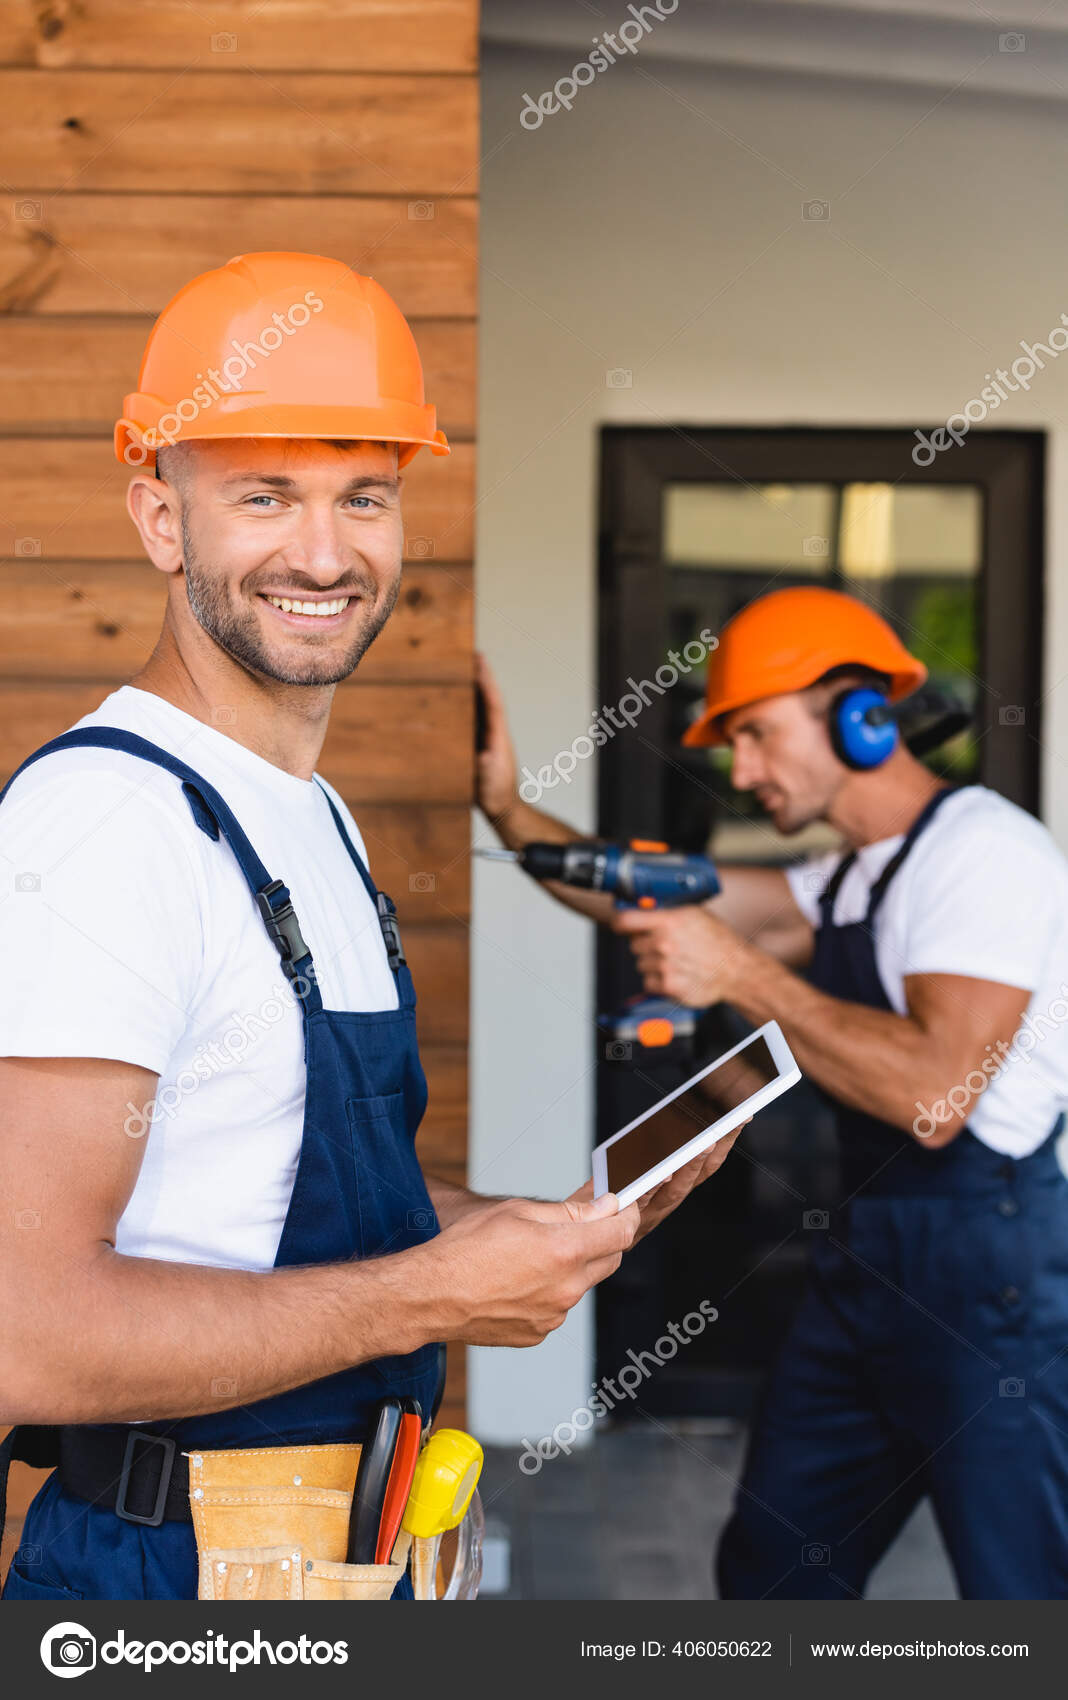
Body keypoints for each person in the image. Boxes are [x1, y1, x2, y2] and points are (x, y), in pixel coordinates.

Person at [0, 253, 738, 1603]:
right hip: (176, 1576)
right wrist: (438, 1297)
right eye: (264, 496)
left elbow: (266, 1194)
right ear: (161, 519)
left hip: (350, 1555)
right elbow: (24, 1334)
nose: (325, 554)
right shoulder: (107, 827)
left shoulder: (312, 817)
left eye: (364, 498)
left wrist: (519, 1230)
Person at [475, 585, 1068, 1600]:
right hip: (867, 1268)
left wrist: (738, 972)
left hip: (988, 1279)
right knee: (774, 1565)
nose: (741, 772)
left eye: (753, 733)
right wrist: (507, 806)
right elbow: (647, 890)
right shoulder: (847, 874)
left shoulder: (987, 855)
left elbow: (936, 1092)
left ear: (859, 712)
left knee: (1019, 1590)